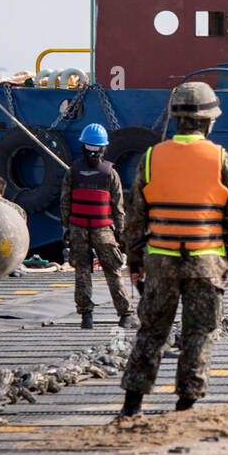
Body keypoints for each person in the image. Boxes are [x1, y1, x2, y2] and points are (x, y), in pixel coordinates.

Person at [119, 82, 228, 417]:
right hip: (207, 264)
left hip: (160, 263)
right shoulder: (221, 159)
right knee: (200, 333)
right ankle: (185, 405)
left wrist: (135, 262)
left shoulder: (150, 158)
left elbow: (134, 217)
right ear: (208, 121)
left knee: (151, 331)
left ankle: (132, 405)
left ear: (176, 118)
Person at [61, 123, 135, 331]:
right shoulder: (110, 173)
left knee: (82, 272)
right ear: (103, 148)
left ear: (83, 146)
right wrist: (121, 234)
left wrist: (67, 229)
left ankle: (86, 317)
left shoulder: (72, 172)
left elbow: (65, 203)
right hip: (103, 229)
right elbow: (118, 207)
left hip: (78, 228)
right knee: (113, 272)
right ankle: (125, 315)